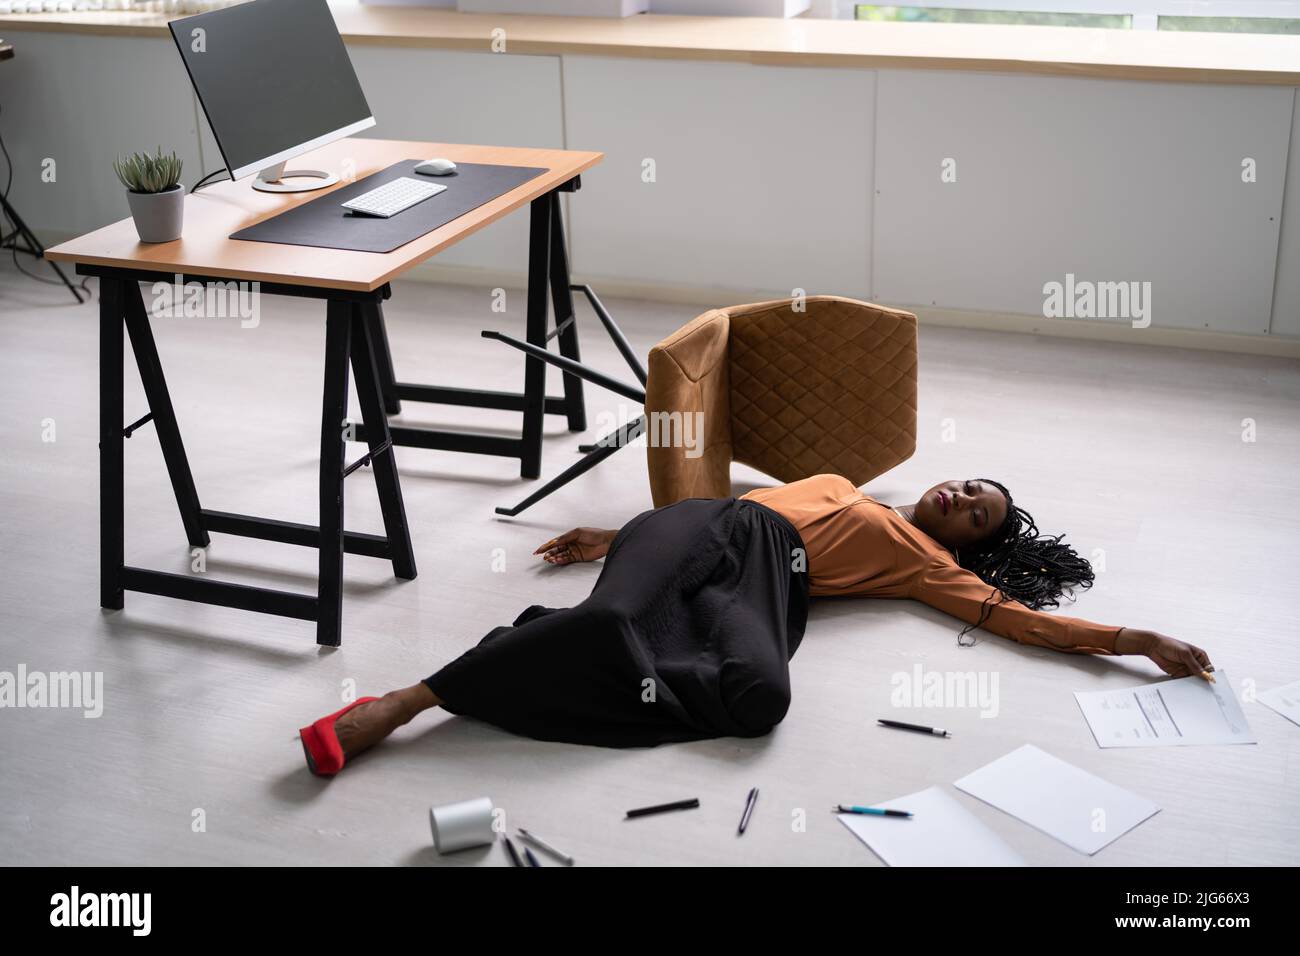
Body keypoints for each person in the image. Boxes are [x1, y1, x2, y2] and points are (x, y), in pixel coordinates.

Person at [298, 474, 1214, 776]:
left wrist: (1134, 641)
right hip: (721, 525)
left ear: (965, 548)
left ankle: (556, 646)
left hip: (769, 586)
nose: (961, 498)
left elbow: (1019, 625)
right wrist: (614, 537)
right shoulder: (842, 485)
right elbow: (733, 510)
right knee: (613, 616)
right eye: (970, 485)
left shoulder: (923, 567)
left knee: (760, 699)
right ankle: (407, 703)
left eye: (976, 514)